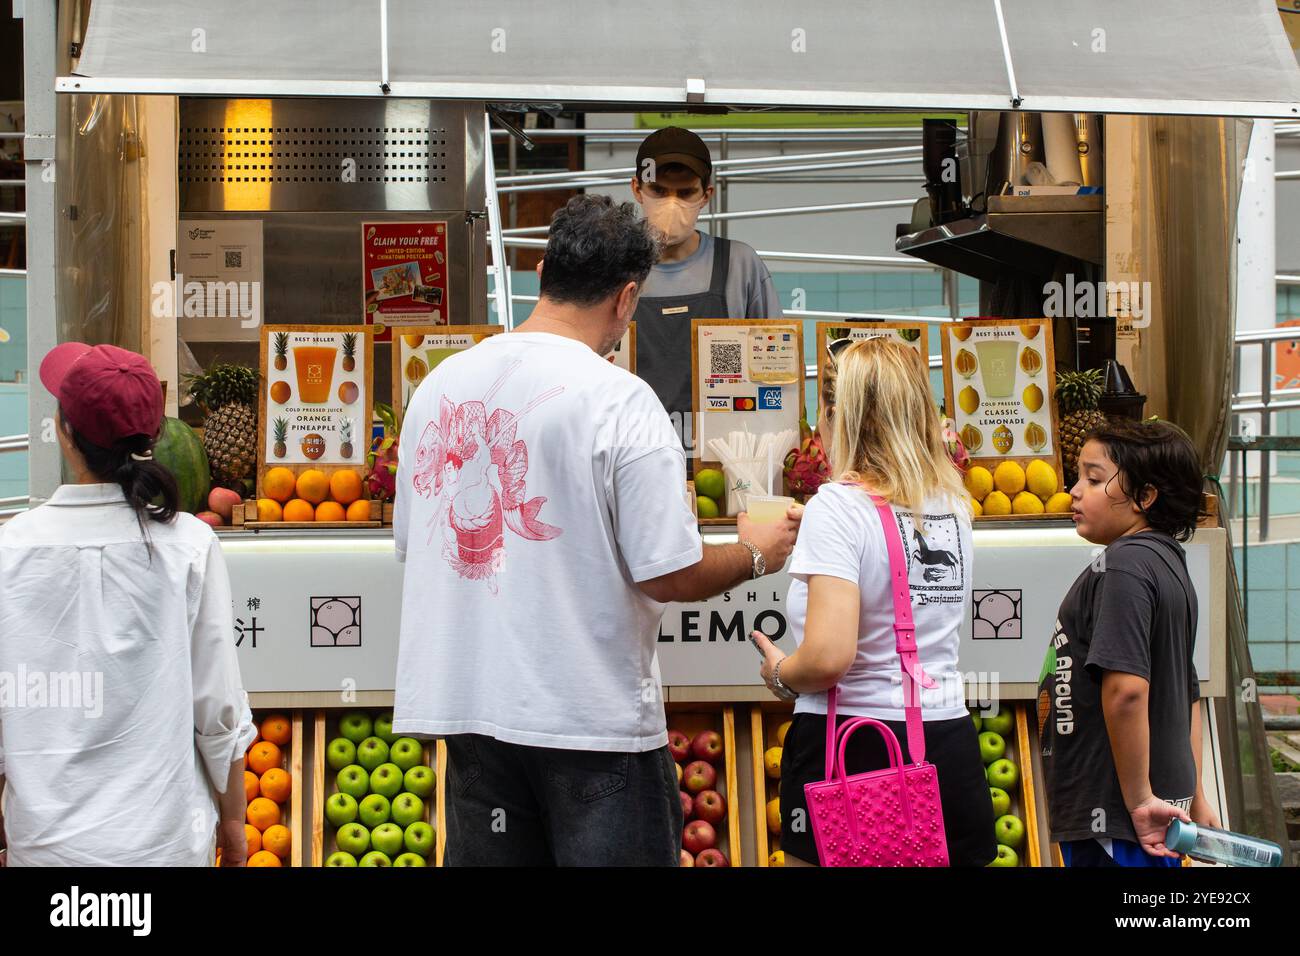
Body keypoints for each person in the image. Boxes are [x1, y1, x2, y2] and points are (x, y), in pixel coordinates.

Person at [391, 194, 801, 866]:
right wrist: (755, 556)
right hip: (590, 726)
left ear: (544, 268)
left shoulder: (439, 387)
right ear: (628, 296)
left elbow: (418, 544)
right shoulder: (620, 400)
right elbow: (668, 571)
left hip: (470, 720)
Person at [0, 343, 256, 867]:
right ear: (154, 437)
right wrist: (233, 826)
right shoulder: (188, 545)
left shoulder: (10, 549)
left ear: (64, 434)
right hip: (163, 846)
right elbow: (219, 712)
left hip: (47, 851)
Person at [751, 336, 996, 867]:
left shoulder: (837, 508)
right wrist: (821, 526)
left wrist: (781, 671)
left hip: (854, 747)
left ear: (841, 417)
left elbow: (828, 659)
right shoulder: (953, 504)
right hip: (948, 746)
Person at [1038, 419, 1214, 867]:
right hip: (1153, 814)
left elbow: (1128, 691)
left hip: (1120, 817)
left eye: (1094, 479)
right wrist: (1195, 795)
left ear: (1145, 497)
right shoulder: (1168, 564)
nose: (1074, 491)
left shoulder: (1125, 566)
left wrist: (1138, 801)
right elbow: (1185, 695)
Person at [629, 126, 783, 429]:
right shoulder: (611, 267)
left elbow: (778, 372)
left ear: (706, 195)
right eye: (659, 191)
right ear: (637, 189)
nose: (671, 204)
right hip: (631, 457)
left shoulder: (740, 266)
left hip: (727, 462)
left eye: (685, 193)